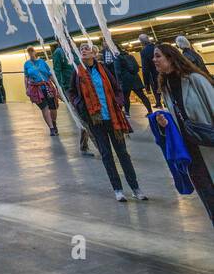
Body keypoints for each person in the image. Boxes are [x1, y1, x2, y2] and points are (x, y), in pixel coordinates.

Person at [69, 42, 147, 202]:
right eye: (81, 49)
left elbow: (117, 87)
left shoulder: (103, 69)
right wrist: (79, 104)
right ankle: (117, 189)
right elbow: (72, 92)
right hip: (95, 120)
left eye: (87, 49)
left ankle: (135, 187)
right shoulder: (77, 72)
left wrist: (118, 102)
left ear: (94, 53)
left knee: (123, 154)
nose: (83, 51)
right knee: (106, 154)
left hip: (112, 117)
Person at [153, 42, 214, 228]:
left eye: (158, 56)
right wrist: (165, 123)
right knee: (209, 199)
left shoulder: (195, 79)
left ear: (171, 58)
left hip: (209, 147)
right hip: (191, 153)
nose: (154, 60)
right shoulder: (165, 87)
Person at [52, 44, 91, 153]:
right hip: (70, 90)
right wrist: (60, 90)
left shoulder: (74, 51)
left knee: (86, 116)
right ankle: (89, 145)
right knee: (82, 117)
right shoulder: (59, 53)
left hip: (82, 87)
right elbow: (57, 71)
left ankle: (85, 144)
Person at [23, 47, 60, 136]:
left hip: (47, 87)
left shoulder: (42, 62)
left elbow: (49, 74)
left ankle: (54, 123)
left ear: (35, 52)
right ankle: (51, 128)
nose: (31, 53)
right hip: (36, 89)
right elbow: (26, 77)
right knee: (44, 108)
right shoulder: (27, 64)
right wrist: (27, 88)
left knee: (53, 108)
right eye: (29, 52)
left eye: (32, 51)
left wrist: (57, 85)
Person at [114, 48, 152, 115]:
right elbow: (137, 67)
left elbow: (118, 72)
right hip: (135, 78)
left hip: (125, 80)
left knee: (126, 97)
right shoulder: (130, 56)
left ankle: (127, 112)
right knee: (142, 96)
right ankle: (150, 111)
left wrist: (119, 82)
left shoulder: (117, 59)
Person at [139, 33, 161, 107]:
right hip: (163, 71)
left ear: (141, 42)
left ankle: (158, 102)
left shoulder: (144, 51)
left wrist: (146, 84)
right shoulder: (157, 47)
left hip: (153, 74)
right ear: (148, 39)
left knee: (156, 88)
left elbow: (145, 69)